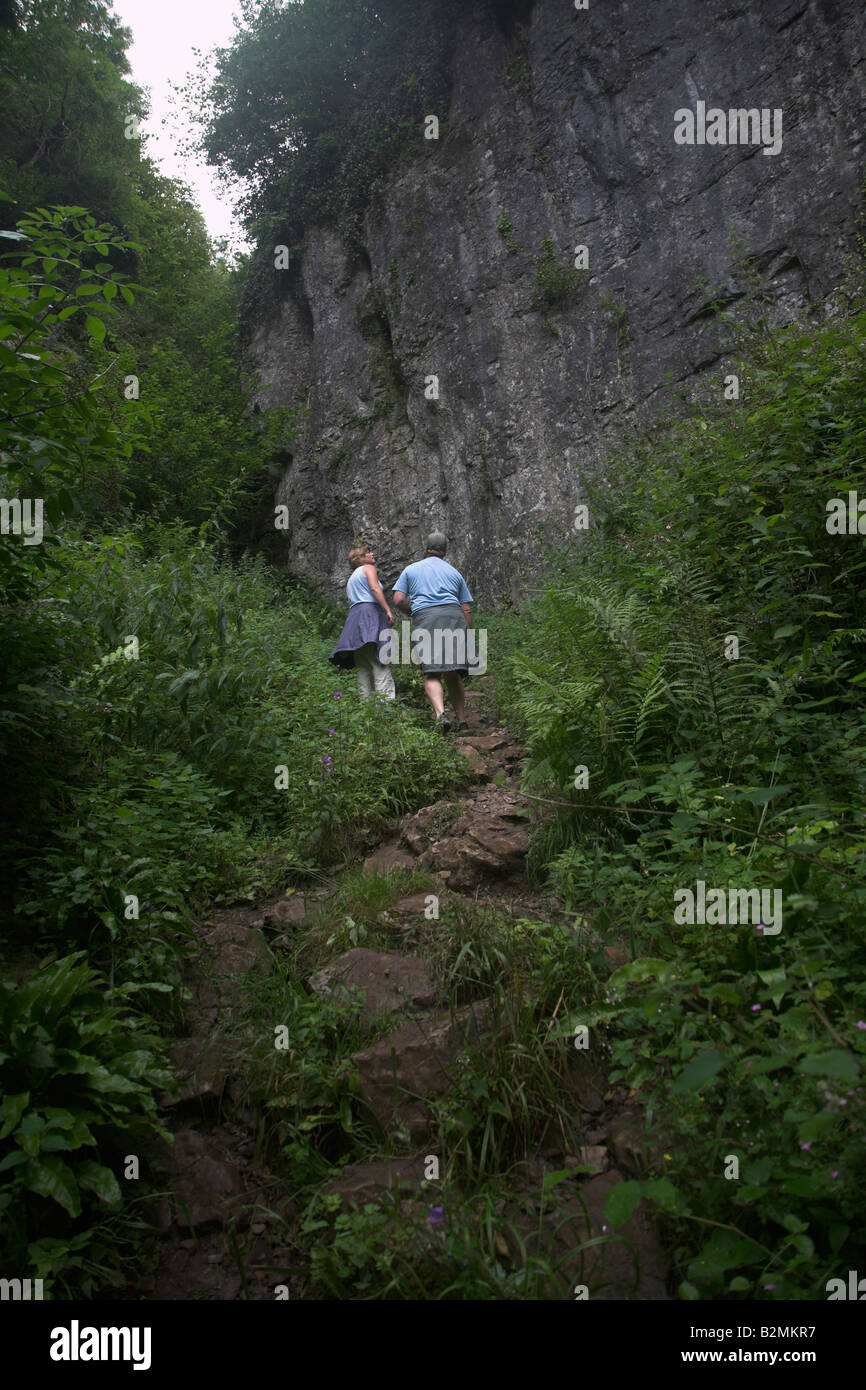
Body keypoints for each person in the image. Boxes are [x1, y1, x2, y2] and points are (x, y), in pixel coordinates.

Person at [392, 532, 478, 732]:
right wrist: (468, 635)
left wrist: (414, 612)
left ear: (426, 547)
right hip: (454, 618)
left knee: (432, 673)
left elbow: (398, 599)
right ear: (445, 551)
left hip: (427, 618)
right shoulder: (454, 573)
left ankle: (440, 714)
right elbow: (466, 608)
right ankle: (463, 721)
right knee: (453, 674)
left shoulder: (411, 569)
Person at [329, 544, 396, 700]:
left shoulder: (352, 579)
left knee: (363, 666)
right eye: (368, 552)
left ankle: (366, 708)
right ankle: (386, 707)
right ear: (361, 558)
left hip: (355, 620)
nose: (372, 554)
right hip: (370, 616)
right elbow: (374, 588)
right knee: (380, 662)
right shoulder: (368, 568)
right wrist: (387, 609)